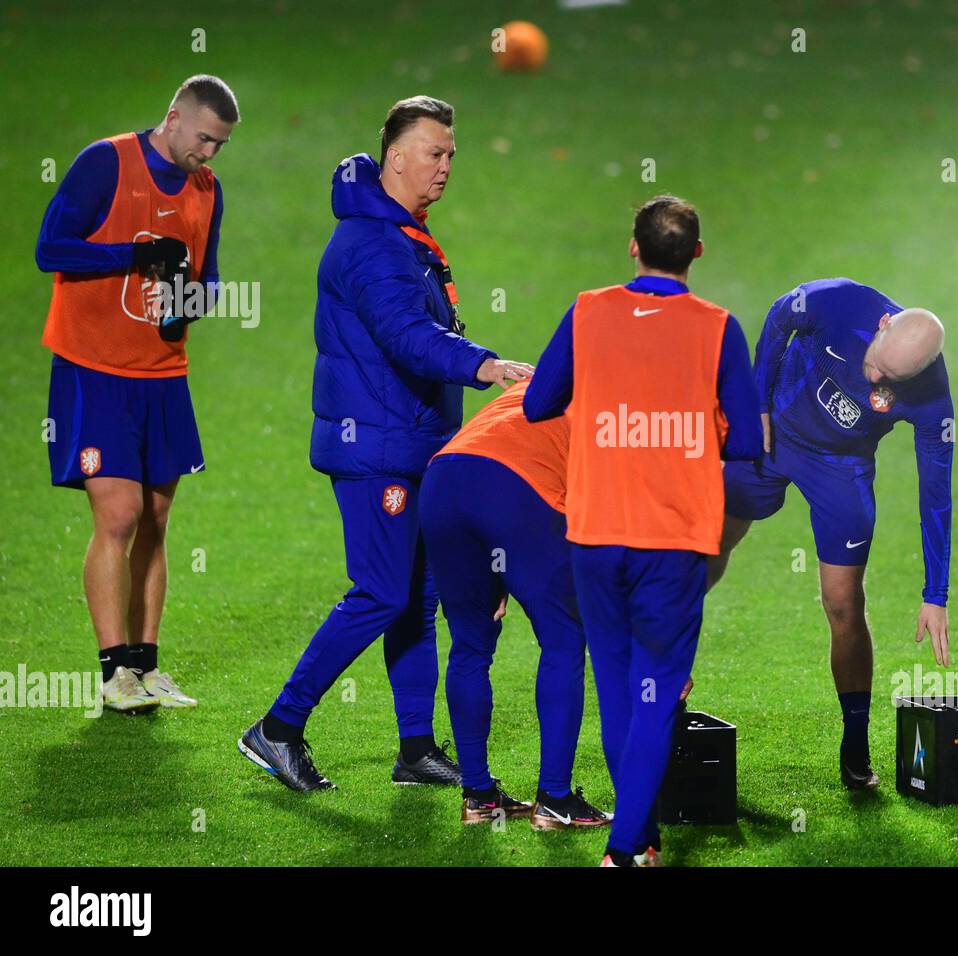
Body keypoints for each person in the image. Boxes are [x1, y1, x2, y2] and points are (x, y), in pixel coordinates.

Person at [239, 96, 533, 792]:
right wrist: (484, 365)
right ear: (395, 158)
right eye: (435, 153)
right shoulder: (371, 243)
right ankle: (277, 728)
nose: (446, 167)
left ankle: (414, 749)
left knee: (416, 598)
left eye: (452, 154)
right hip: (375, 449)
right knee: (378, 590)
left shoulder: (400, 234)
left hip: (414, 443)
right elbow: (408, 337)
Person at [525, 195, 763, 867]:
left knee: (618, 685)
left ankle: (645, 836)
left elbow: (541, 401)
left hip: (597, 530)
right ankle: (626, 848)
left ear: (634, 247)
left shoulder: (588, 310)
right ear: (697, 253)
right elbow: (746, 443)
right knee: (656, 689)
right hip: (674, 540)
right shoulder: (719, 328)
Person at [37, 74, 239, 713]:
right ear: (175, 117)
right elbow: (51, 249)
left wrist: (186, 301)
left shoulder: (209, 191)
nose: (207, 154)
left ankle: (147, 668)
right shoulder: (107, 162)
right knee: (119, 515)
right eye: (203, 138)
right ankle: (112, 671)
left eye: (220, 145)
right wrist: (136, 254)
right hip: (94, 370)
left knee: (155, 519)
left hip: (162, 374)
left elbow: (209, 282)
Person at [709, 279, 953, 789]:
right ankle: (664, 674)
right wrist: (755, 407)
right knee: (711, 545)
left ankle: (855, 741)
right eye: (876, 363)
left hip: (840, 469)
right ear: (884, 325)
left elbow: (935, 494)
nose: (874, 377)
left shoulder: (932, 399)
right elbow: (780, 314)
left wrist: (936, 594)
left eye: (889, 379)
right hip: (772, 433)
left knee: (844, 605)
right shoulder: (844, 301)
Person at [420, 382, 611, 829]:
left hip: (444, 480)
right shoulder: (626, 407)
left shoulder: (545, 379)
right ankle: (555, 800)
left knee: (469, 643)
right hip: (515, 487)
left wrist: (499, 562)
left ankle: (479, 796)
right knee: (564, 637)